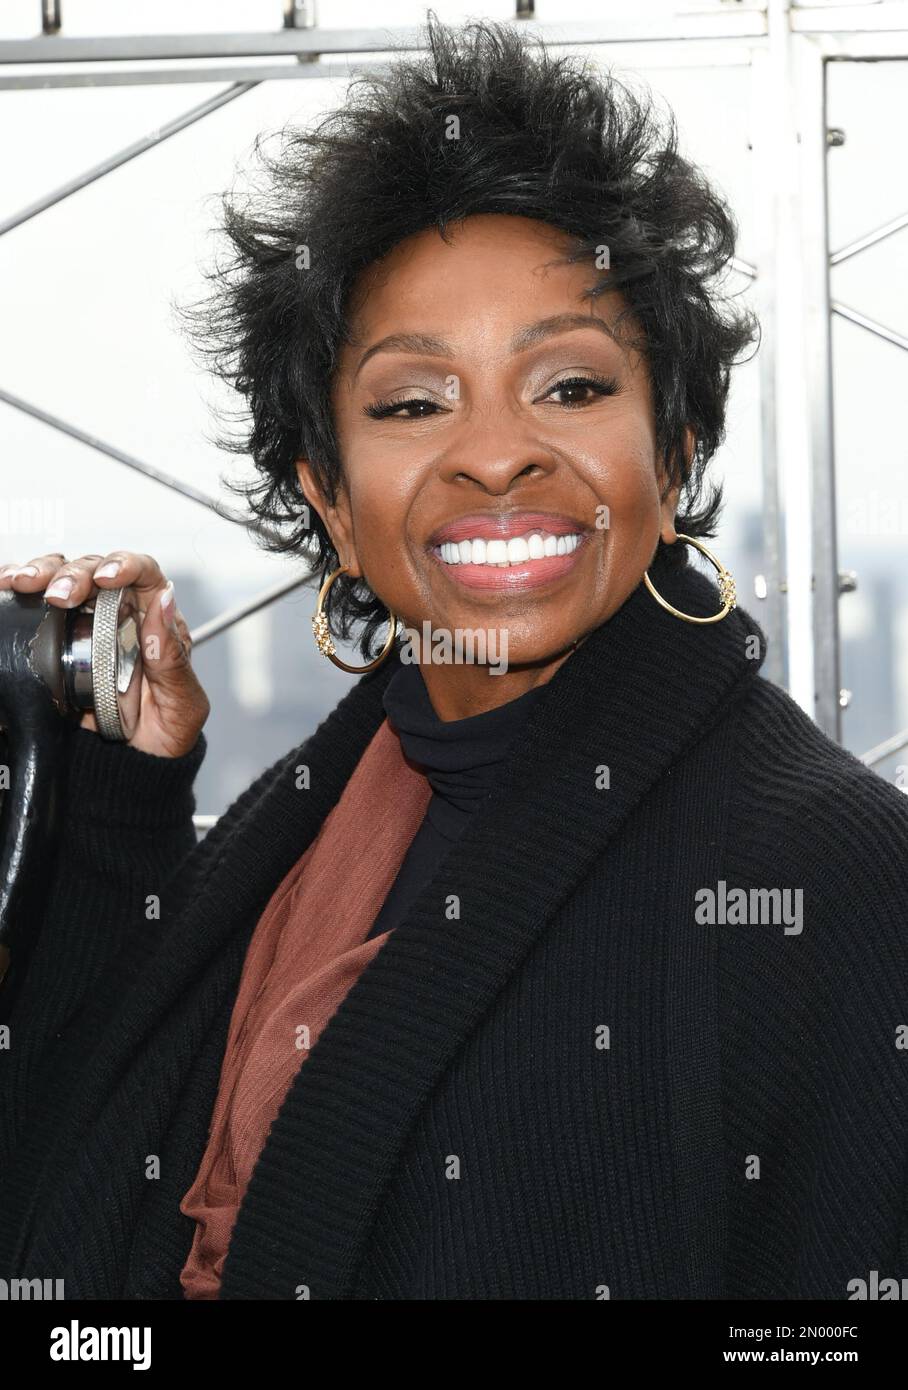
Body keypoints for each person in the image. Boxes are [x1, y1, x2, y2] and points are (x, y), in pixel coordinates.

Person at [1, 15, 906, 1301]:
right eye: (412, 403)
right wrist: (116, 796)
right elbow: (71, 1190)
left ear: (679, 447)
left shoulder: (836, 875)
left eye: (571, 388)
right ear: (325, 491)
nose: (493, 454)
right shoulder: (324, 808)